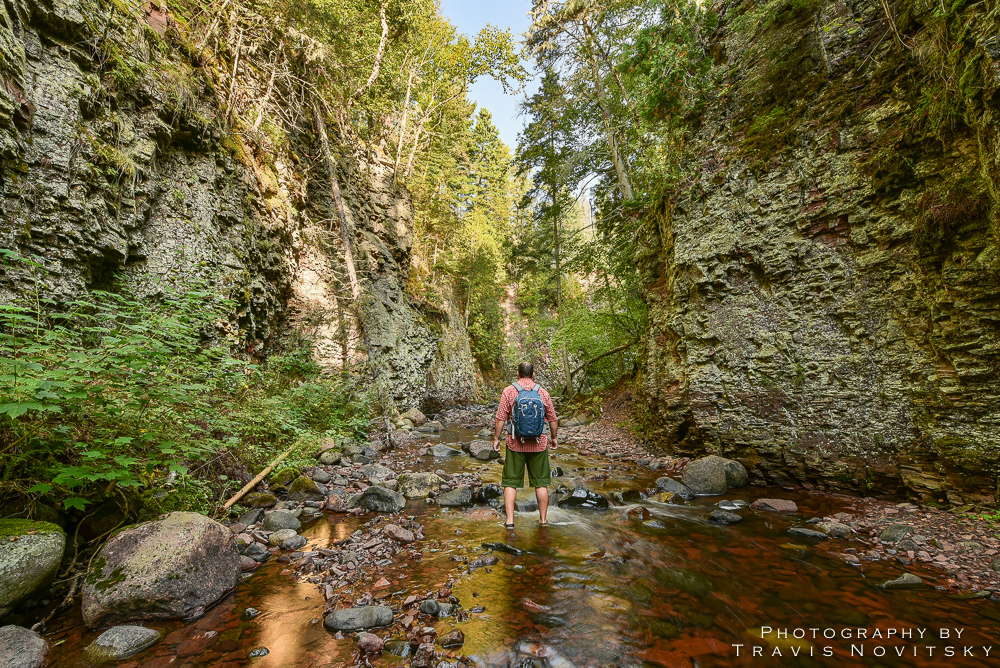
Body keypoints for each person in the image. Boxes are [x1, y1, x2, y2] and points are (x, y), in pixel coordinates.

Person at [492, 362, 558, 528]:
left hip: (515, 443)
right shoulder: (542, 392)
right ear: (533, 374)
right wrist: (554, 438)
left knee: (510, 483)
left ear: (518, 373)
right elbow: (553, 419)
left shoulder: (509, 391)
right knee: (541, 482)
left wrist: (496, 438)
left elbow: (500, 417)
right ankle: (543, 520)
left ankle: (509, 521)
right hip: (539, 444)